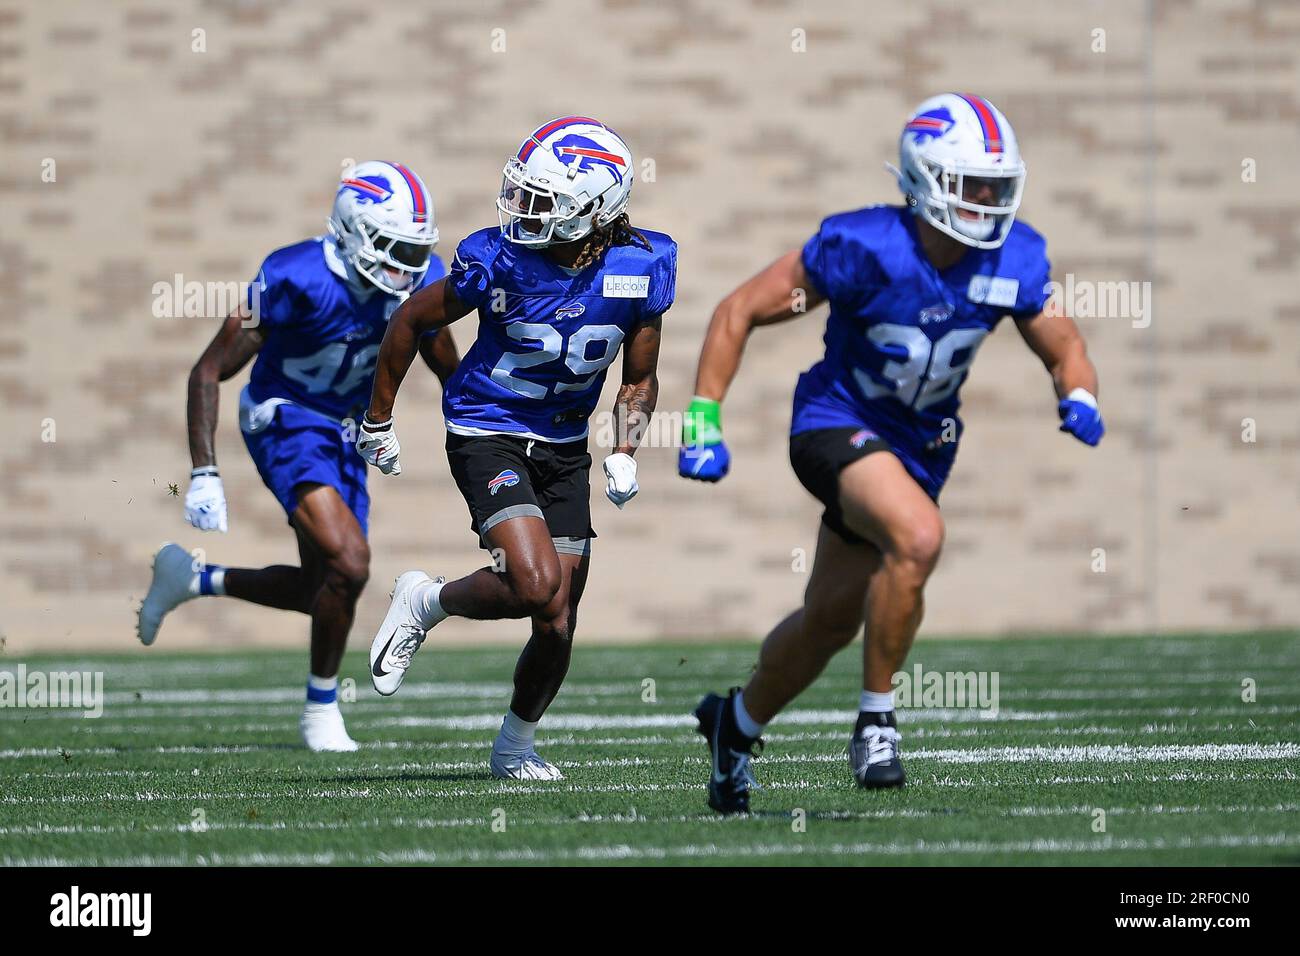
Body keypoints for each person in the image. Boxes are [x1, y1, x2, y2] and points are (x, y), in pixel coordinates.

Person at [679, 94, 1104, 813]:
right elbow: (739, 309)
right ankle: (877, 722)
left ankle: (735, 724)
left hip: (922, 448)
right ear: (925, 178)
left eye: (998, 187)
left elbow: (1064, 346)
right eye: (973, 186)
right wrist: (701, 419)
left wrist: (1080, 394)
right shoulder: (864, 247)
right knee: (919, 536)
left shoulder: (1015, 256)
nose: (988, 202)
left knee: (829, 622)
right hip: (832, 422)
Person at [356, 117, 677, 780]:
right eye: (522, 193)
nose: (523, 210)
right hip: (488, 430)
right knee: (535, 584)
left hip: (563, 446)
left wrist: (625, 449)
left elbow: (639, 377)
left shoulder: (641, 266)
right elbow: (413, 319)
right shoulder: (495, 259)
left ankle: (514, 749)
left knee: (558, 618)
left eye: (543, 201)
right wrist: (379, 418)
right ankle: (425, 600)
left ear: (596, 209)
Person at [137, 162, 459, 752]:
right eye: (391, 248)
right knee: (353, 561)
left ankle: (194, 579)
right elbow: (208, 371)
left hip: (348, 431)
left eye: (415, 251)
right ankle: (321, 708)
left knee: (327, 583)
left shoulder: (420, 280)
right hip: (284, 417)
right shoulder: (294, 276)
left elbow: (450, 372)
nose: (406, 267)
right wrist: (205, 471)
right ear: (350, 232)